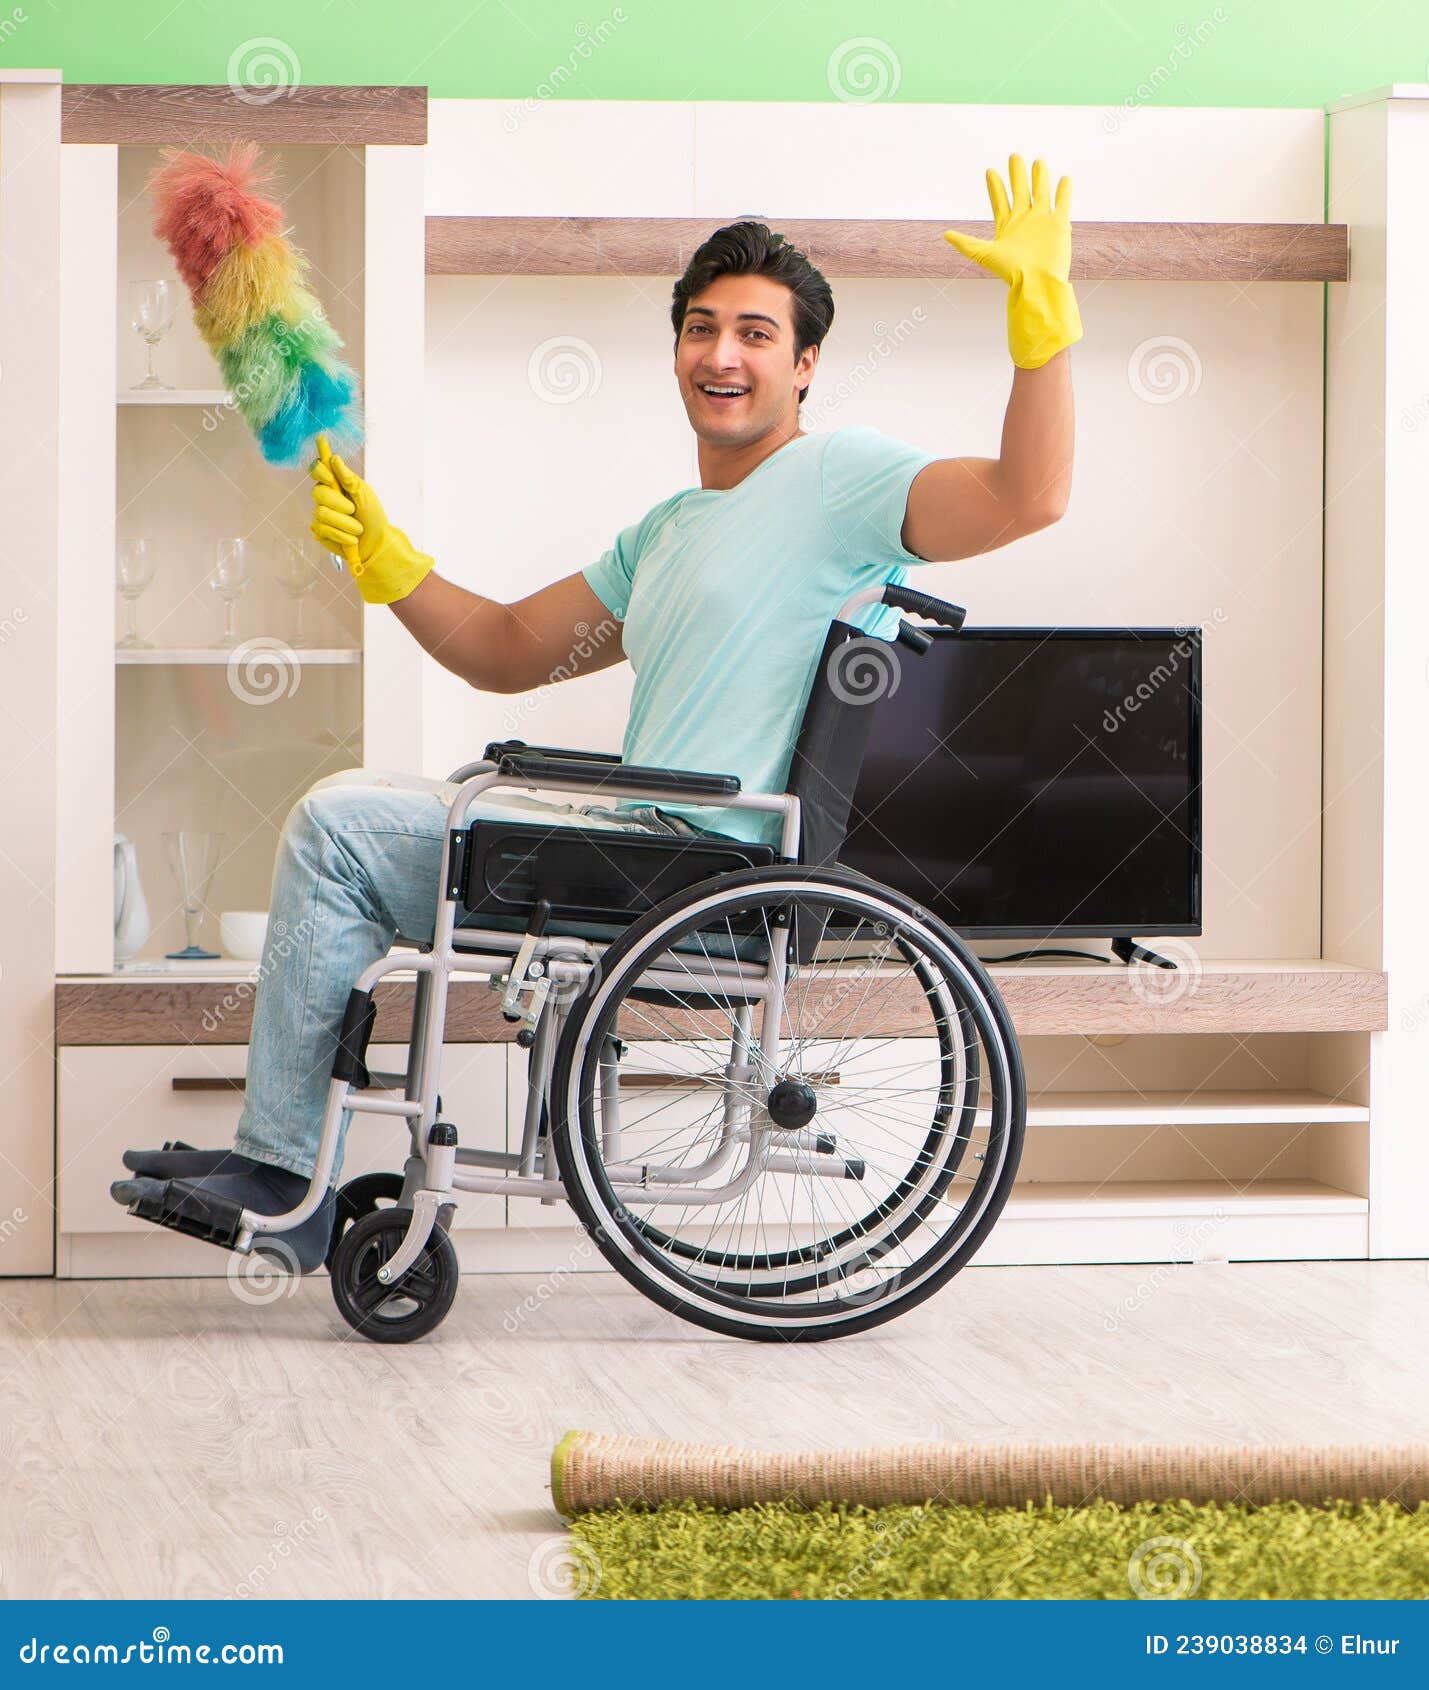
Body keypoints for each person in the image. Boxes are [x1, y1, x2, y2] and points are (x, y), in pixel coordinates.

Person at [111, 153, 1080, 1270]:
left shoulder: (840, 482)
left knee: (343, 828)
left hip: (695, 868)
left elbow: (1027, 495)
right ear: (675, 352)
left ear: (805, 364)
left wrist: (1041, 324)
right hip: (637, 850)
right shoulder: (666, 531)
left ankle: (287, 1173)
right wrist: (387, 561)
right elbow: (507, 648)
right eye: (701, 329)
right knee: (353, 830)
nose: (722, 355)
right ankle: (292, 1163)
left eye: (756, 334)